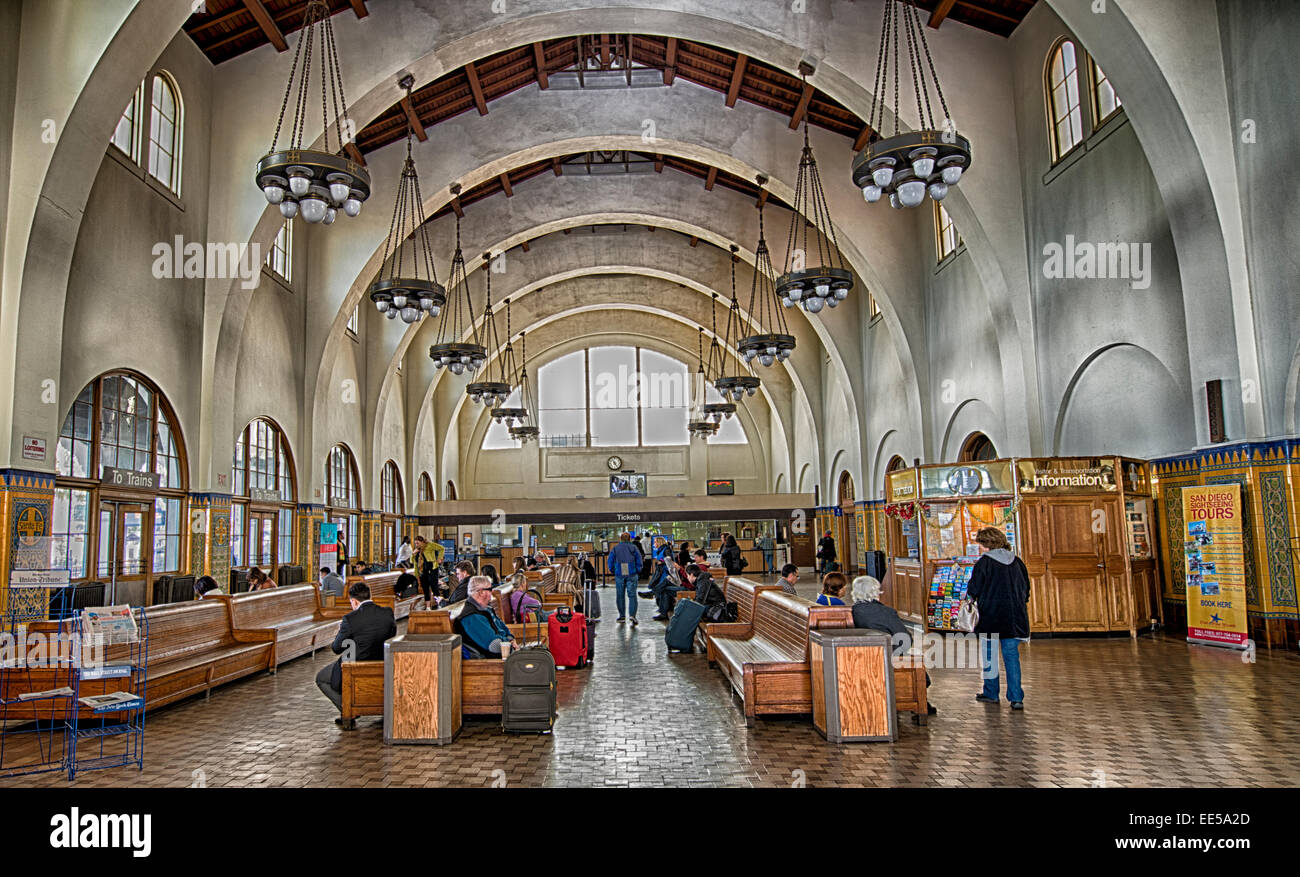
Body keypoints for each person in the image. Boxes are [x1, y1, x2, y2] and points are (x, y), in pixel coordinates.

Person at [850, 575, 937, 715]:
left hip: (860, 656)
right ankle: (919, 702)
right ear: (875, 592)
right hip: (886, 657)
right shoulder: (886, 612)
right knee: (916, 668)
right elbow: (905, 639)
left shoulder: (852, 611)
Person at [966, 526, 1030, 711]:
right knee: (1012, 657)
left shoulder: (984, 563)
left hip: (991, 616)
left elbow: (974, 590)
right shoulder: (1017, 562)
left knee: (989, 657)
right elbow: (1026, 589)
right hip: (1014, 617)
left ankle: (991, 692)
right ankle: (1016, 697)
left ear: (986, 544)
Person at [316, 581, 396, 722]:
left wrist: (343, 631)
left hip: (356, 667)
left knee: (321, 678)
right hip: (382, 664)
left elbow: (336, 648)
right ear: (370, 596)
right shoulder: (387, 613)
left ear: (354, 601)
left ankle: (348, 709)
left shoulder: (350, 619)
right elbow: (391, 635)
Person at [454, 575, 515, 658]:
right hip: (488, 663)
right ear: (481, 592)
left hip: (504, 654)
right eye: (490, 589)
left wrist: (511, 639)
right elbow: (494, 645)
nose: (492, 592)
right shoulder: (471, 617)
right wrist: (509, 643)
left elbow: (502, 627)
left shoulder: (486, 609)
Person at [608, 532, 643, 625]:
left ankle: (622, 616)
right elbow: (639, 559)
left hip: (619, 573)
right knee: (632, 595)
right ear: (629, 539)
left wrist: (613, 571)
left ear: (621, 539)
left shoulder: (615, 548)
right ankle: (632, 615)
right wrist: (638, 570)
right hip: (632, 573)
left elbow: (610, 561)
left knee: (620, 595)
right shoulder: (634, 547)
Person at [413, 535, 446, 609]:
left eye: (418, 543)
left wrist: (440, 558)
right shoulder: (417, 550)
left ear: (422, 542)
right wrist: (413, 554)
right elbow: (413, 562)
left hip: (432, 569)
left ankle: (439, 605)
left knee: (434, 588)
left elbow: (441, 548)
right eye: (415, 543)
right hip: (422, 571)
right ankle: (428, 607)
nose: (416, 545)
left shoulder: (429, 545)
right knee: (425, 589)